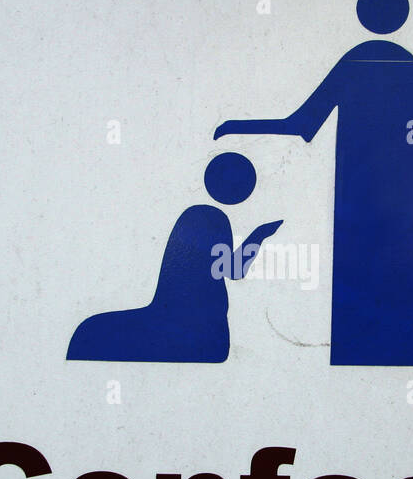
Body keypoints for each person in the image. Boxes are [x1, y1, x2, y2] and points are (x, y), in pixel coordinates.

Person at [214, 0, 413, 366]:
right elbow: (305, 123)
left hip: (362, 210)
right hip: (401, 213)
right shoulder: (408, 68)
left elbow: (300, 122)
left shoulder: (360, 61)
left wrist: (239, 126)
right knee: (396, 305)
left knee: (364, 308)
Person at [67, 152, 282, 363]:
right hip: (202, 330)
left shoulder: (201, 215)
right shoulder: (211, 218)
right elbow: (234, 270)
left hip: (202, 326)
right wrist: (260, 234)